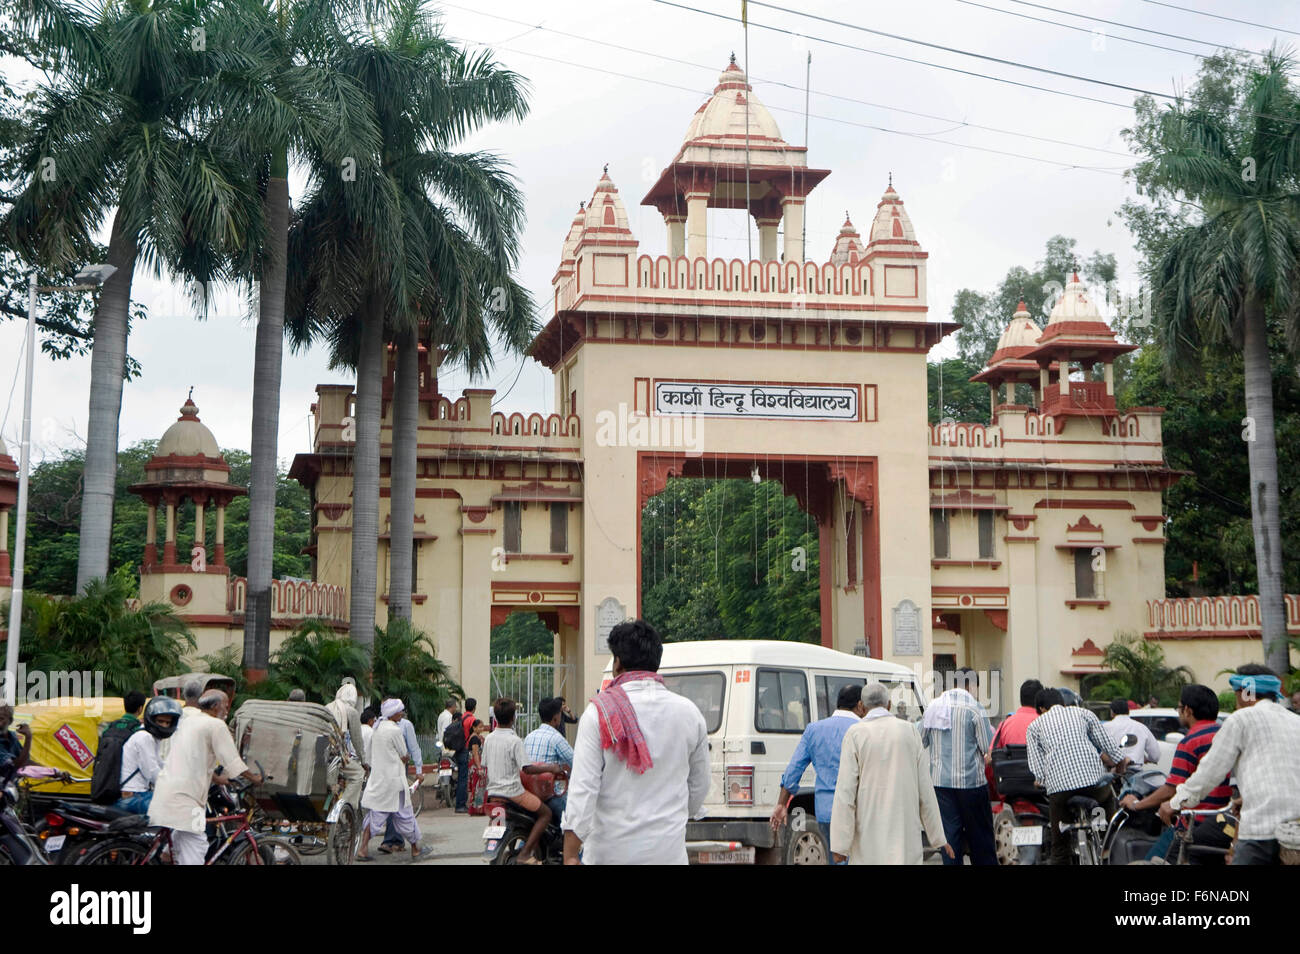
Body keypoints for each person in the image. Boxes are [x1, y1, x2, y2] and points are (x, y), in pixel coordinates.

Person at [562, 619, 709, 865]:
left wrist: (569, 854)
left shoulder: (598, 714)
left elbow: (583, 792)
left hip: (609, 855)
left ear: (617, 662)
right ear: (656, 662)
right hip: (669, 855)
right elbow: (699, 787)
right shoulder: (689, 713)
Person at [1166, 663, 1300, 865]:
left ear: (1244, 692)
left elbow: (1211, 771)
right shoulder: (1295, 721)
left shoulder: (1241, 719)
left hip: (1261, 828)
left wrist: (1176, 802)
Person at [830, 683, 953, 864]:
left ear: (862, 707)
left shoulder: (855, 734)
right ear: (888, 705)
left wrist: (840, 845)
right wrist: (938, 838)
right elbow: (925, 790)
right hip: (904, 835)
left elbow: (845, 793)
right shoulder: (909, 731)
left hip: (868, 835)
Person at [1119, 684, 1233, 862]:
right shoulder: (1226, 735)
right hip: (1224, 822)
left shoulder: (1190, 741)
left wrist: (1136, 804)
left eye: (1179, 708)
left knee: (1150, 860)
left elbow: (1171, 790)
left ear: (1187, 710)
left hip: (1194, 824)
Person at [149, 689, 262, 865]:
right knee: (197, 843)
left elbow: (195, 760)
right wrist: (255, 778)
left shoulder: (187, 721)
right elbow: (232, 761)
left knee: (181, 834)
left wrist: (218, 779)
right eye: (225, 706)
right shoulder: (215, 725)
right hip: (186, 797)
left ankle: (166, 854)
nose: (226, 711)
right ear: (215, 706)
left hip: (166, 790)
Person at [1026, 688, 1128, 864]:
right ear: (1063, 702)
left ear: (1042, 709)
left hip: (1061, 790)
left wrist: (1040, 780)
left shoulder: (1035, 726)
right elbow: (1109, 746)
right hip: (1093, 785)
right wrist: (1120, 767)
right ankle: (1108, 845)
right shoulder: (1084, 714)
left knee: (1059, 843)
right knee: (1107, 802)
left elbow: (1037, 766)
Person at [770, 683, 865, 864]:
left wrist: (781, 804)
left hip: (825, 811)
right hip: (856, 809)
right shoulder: (863, 730)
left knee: (834, 859)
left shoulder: (814, 730)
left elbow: (793, 770)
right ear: (860, 705)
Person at [921, 668, 996, 866]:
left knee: (949, 837)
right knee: (980, 836)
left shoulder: (933, 707)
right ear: (971, 685)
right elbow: (988, 751)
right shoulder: (975, 708)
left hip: (940, 785)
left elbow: (920, 741)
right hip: (971, 784)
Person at [484, 697, 569, 864]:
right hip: (513, 793)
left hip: (493, 793)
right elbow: (527, 769)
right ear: (513, 717)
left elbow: (486, 764)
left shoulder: (489, 739)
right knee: (546, 813)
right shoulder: (514, 740)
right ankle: (525, 853)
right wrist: (550, 768)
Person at [357, 698, 422, 861]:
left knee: (375, 817)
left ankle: (363, 849)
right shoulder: (394, 730)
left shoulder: (377, 728)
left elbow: (371, 756)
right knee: (406, 816)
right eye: (400, 711)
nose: (402, 713)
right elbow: (404, 754)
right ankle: (415, 849)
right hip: (395, 782)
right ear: (394, 714)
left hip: (380, 781)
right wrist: (404, 759)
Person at [118, 696, 182, 814]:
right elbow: (152, 772)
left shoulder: (151, 738)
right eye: (160, 721)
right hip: (133, 796)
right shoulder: (144, 737)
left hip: (140, 794)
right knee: (177, 809)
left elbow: (160, 764)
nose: (163, 725)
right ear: (151, 719)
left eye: (167, 722)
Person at [378, 699, 424, 854]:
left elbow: (413, 748)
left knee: (398, 805)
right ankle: (397, 840)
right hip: (383, 770)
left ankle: (393, 840)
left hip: (398, 770)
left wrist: (419, 769)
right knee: (385, 805)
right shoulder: (380, 725)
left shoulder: (405, 725)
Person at [524, 698, 576, 822]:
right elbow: (575, 762)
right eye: (560, 714)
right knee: (571, 820)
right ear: (555, 718)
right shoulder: (556, 738)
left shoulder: (529, 737)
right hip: (547, 794)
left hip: (528, 791)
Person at [325, 682, 369, 813]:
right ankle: (343, 808)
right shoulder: (351, 711)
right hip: (334, 755)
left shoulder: (327, 707)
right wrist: (363, 761)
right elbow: (357, 741)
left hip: (319, 752)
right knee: (358, 774)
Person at [1105, 698, 1162, 765]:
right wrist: (1147, 759)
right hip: (1136, 771)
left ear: (1112, 712)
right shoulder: (1141, 727)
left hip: (1112, 771)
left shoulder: (1105, 728)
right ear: (1128, 711)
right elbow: (1156, 755)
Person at [991, 679, 1042, 748]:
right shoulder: (1045, 723)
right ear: (1040, 700)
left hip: (1010, 758)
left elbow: (991, 755)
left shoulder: (1004, 724)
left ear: (1021, 699)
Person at [452, 700, 476, 813]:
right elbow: (475, 734)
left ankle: (459, 803)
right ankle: (460, 805)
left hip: (458, 748)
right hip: (465, 749)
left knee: (460, 778)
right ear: (474, 707)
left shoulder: (462, 717)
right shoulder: (472, 719)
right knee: (463, 779)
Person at [466, 721, 489, 815]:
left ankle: (478, 808)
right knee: (478, 787)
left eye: (482, 727)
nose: (481, 729)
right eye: (479, 727)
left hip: (476, 764)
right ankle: (477, 808)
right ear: (474, 727)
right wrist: (479, 767)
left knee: (478, 787)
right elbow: (475, 753)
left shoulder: (475, 737)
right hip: (476, 765)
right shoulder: (475, 738)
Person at [0, 704, 32, 770]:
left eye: (1, 719)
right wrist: (28, 737)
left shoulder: (12, 737)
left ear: (10, 721)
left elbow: (26, 760)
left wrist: (51, 771)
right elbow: (17, 765)